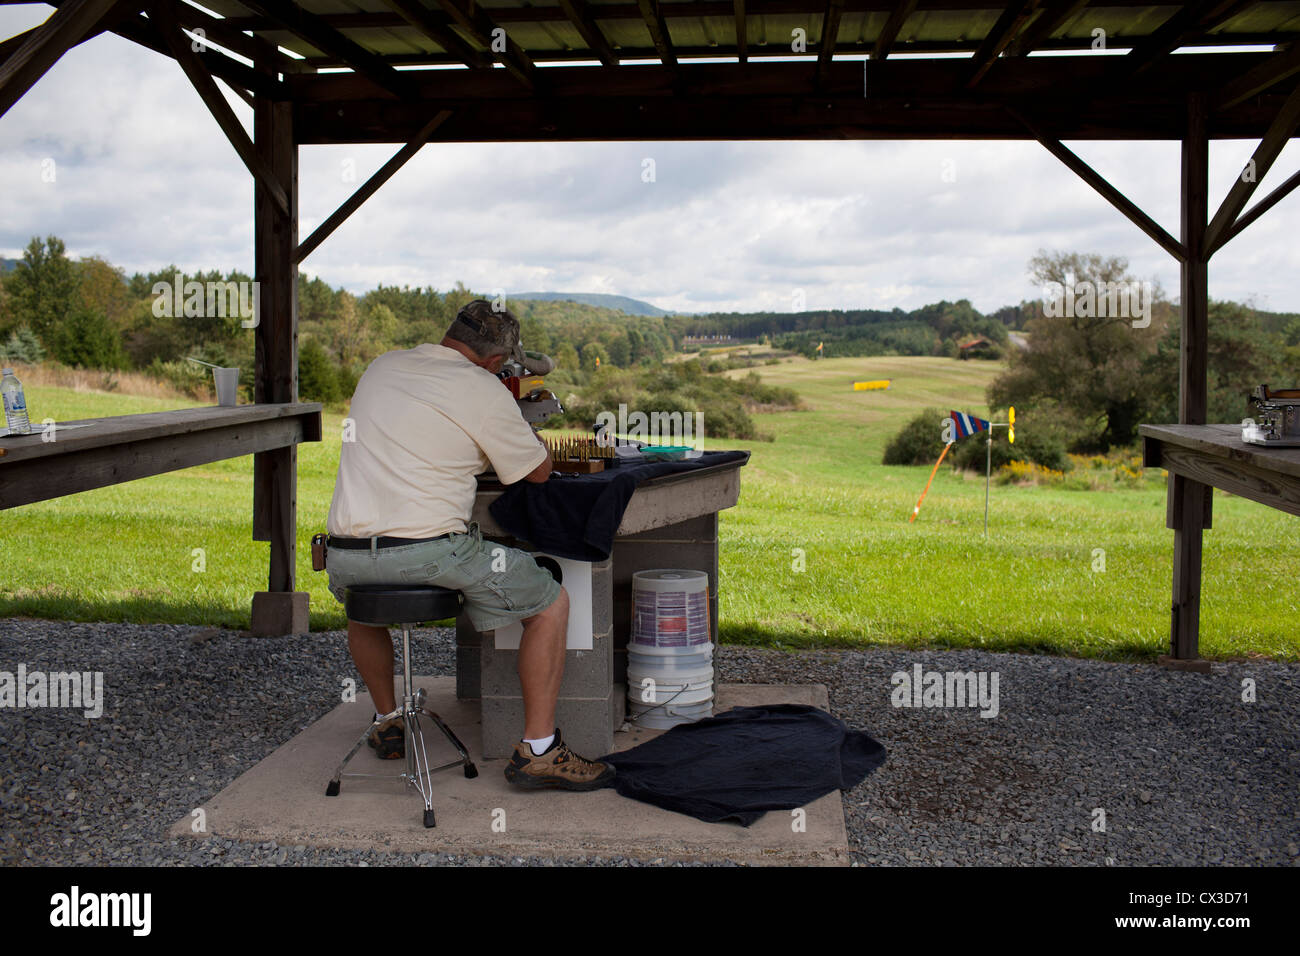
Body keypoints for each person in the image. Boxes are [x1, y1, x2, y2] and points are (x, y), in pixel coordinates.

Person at [323, 299, 613, 791]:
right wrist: (526, 435)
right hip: (429, 553)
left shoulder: (383, 364)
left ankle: (388, 720)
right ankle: (539, 750)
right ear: (497, 362)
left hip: (345, 557)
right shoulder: (481, 387)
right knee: (550, 602)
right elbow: (537, 472)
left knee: (363, 609)